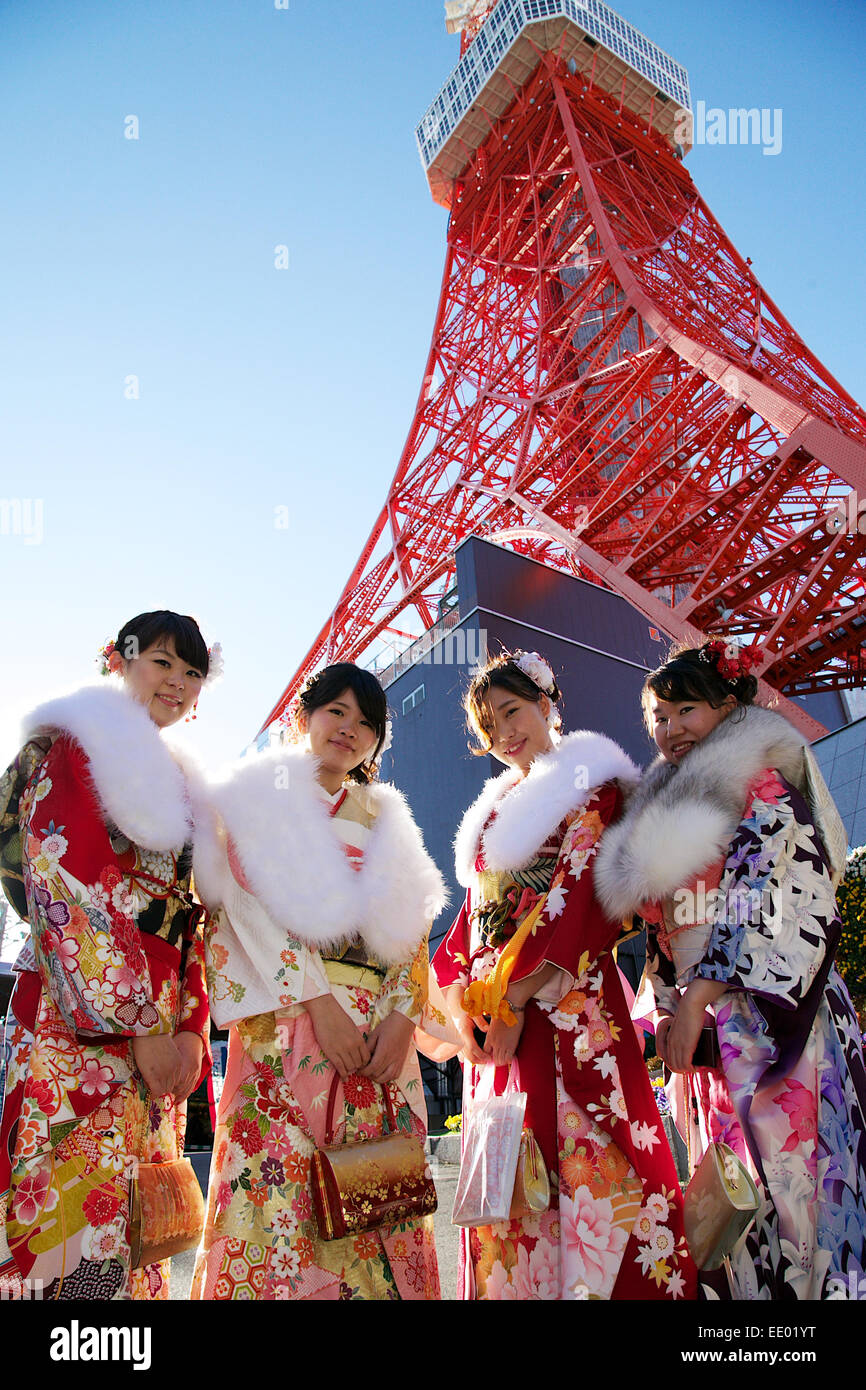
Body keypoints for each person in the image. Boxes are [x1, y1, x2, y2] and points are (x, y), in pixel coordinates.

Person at [595, 639, 866, 1300]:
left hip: (772, 1006)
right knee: (734, 1190)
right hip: (709, 1021)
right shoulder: (662, 802)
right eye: (659, 717)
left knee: (795, 1176)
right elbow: (662, 929)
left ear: (727, 705)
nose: (671, 729)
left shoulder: (759, 776)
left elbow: (761, 891)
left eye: (686, 709)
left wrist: (695, 998)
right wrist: (667, 1005)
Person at [432, 651, 697, 1300]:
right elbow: (472, 918)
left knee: (582, 1154)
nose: (504, 733)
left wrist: (519, 996)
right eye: (489, 725)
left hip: (565, 1005)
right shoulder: (494, 809)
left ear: (547, 703)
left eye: (513, 712)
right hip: (494, 1016)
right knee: (507, 1168)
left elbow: (580, 894)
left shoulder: (593, 785)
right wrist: (463, 1005)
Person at [190, 662, 448, 1301]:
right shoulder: (256, 797)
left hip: (373, 1033)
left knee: (372, 1189)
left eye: (366, 722)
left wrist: (402, 1018)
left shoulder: (384, 814)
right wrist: (317, 1002)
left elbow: (413, 922)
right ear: (303, 717)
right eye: (336, 711)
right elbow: (241, 906)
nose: (349, 729)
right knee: (277, 1182)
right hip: (285, 1018)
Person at [0, 611, 214, 1300]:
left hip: (157, 1018)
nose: (177, 682)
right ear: (119, 660)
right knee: (70, 1194)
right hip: (77, 1007)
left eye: (192, 672)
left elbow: (191, 916)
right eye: (162, 662)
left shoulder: (184, 782)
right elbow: (65, 875)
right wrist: (141, 1023)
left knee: (140, 1212)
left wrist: (191, 1027)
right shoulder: (73, 745)